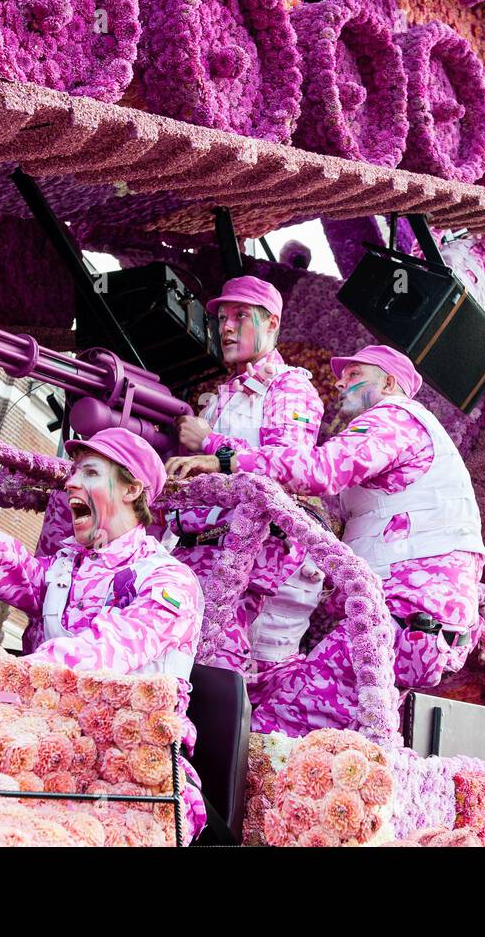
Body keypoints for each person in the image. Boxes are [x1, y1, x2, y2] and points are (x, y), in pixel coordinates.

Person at [0, 405, 208, 837]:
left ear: (131, 490)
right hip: (47, 746)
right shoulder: (65, 569)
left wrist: (3, 670)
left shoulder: (171, 581)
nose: (70, 482)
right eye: (74, 472)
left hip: (136, 778)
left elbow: (103, 653)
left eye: (88, 472)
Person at [169, 345, 485, 736]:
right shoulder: (410, 439)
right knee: (302, 722)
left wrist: (219, 453)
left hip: (400, 620)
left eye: (355, 375)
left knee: (273, 734)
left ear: (389, 383)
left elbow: (319, 470)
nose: (340, 383)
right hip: (416, 626)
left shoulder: (395, 419)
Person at [167, 274, 325, 674]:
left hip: (247, 554)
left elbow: (289, 467)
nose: (227, 327)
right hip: (204, 548)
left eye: (240, 315)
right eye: (222, 319)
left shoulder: (288, 387)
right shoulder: (229, 393)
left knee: (214, 660)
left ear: (272, 322)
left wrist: (211, 444)